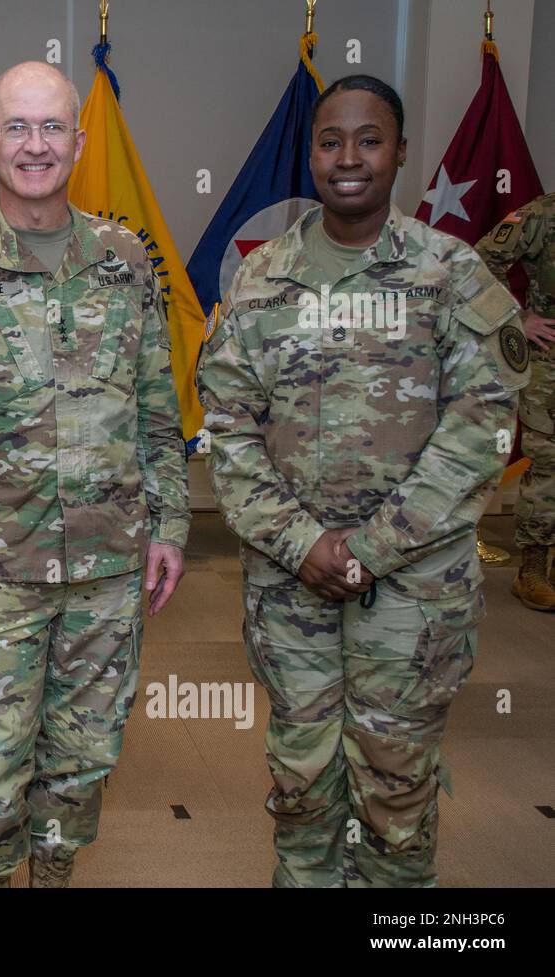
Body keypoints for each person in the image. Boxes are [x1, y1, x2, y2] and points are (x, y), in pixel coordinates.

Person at [197, 75, 530, 888]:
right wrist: (305, 543)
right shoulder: (260, 279)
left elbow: (483, 428)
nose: (349, 158)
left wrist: (373, 549)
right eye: (330, 141)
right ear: (311, 154)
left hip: (414, 591)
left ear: (402, 151)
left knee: (395, 788)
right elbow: (228, 427)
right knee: (301, 780)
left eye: (369, 139)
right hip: (291, 587)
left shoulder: (451, 274)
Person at [0, 62, 190, 888]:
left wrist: (170, 525)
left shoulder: (128, 259)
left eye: (52, 127)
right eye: (17, 128)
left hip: (108, 567)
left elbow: (156, 405)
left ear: (79, 141)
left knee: (82, 764)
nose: (35, 145)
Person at [476, 193, 555, 610]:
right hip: (550, 365)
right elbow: (483, 260)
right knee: (548, 463)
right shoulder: (541, 215)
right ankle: (533, 568)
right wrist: (517, 318)